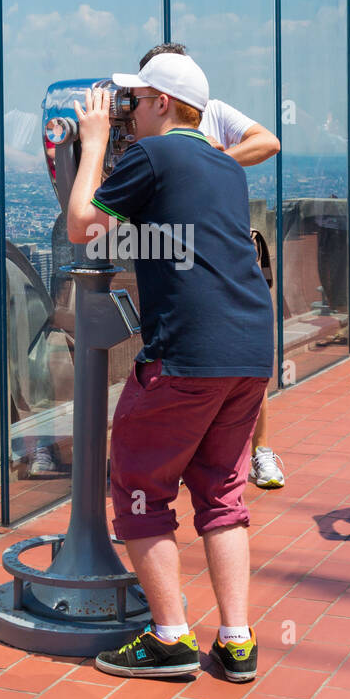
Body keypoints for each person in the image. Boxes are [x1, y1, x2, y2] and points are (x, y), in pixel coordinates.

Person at [67, 52, 273, 682]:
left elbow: (82, 227)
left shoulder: (152, 156)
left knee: (139, 488)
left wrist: (95, 144)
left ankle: (169, 637)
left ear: (162, 103)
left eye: (133, 102)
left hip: (187, 355)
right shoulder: (221, 162)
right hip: (250, 352)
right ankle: (236, 641)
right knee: (221, 492)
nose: (127, 113)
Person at [138, 42, 285, 490]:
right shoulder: (144, 127)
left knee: (236, 358)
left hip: (221, 248)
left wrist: (214, 160)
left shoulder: (213, 113)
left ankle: (258, 450)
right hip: (170, 252)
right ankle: (193, 459)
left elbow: (268, 141)